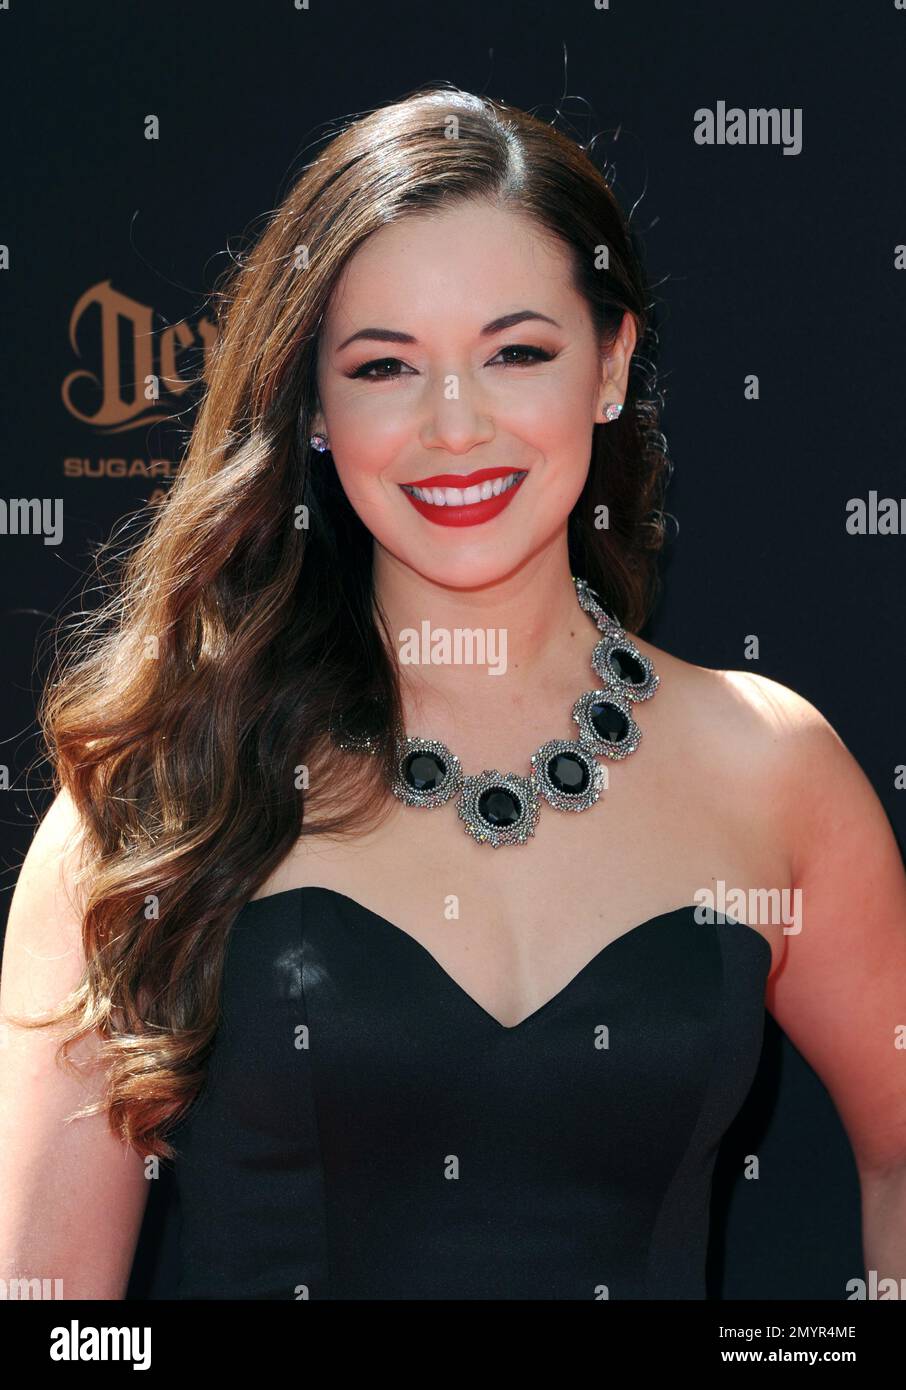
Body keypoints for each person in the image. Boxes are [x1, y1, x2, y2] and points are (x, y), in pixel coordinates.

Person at [1, 83, 905, 1301]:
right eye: (385, 367)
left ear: (610, 364)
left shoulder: (770, 765)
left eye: (517, 352)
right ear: (314, 405)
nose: (456, 426)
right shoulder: (163, 788)